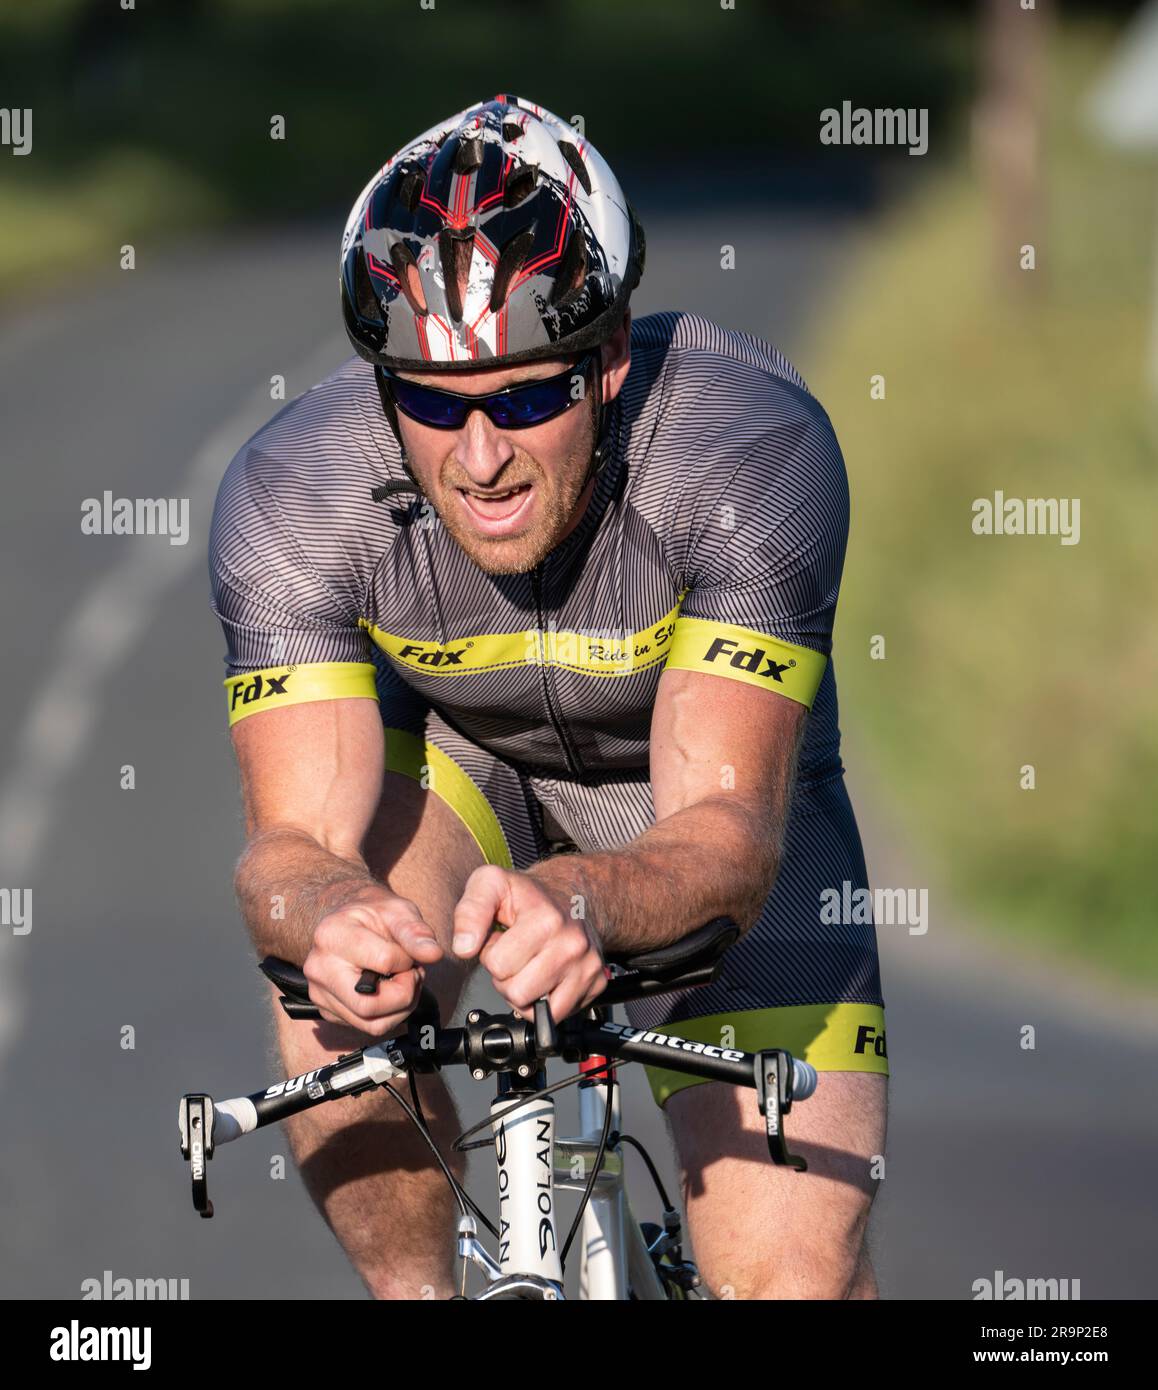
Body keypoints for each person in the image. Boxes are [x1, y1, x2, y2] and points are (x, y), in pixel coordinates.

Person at [210, 94, 887, 1300]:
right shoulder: (293, 494)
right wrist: (324, 913)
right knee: (337, 993)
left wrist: (579, 891)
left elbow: (730, 836)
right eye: (430, 401)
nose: (480, 458)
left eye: (525, 399)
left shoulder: (747, 451)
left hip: (706, 818)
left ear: (610, 358)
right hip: (469, 779)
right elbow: (290, 847)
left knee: (791, 1280)